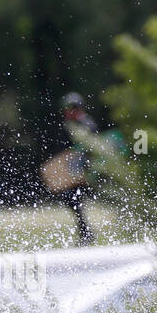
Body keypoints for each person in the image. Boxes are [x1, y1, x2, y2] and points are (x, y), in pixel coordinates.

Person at [58, 92, 98, 245]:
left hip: (86, 171)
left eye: (70, 109)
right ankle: (85, 233)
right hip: (75, 171)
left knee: (74, 199)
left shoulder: (86, 124)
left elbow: (91, 147)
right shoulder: (71, 125)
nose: (67, 112)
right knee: (73, 201)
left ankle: (86, 234)